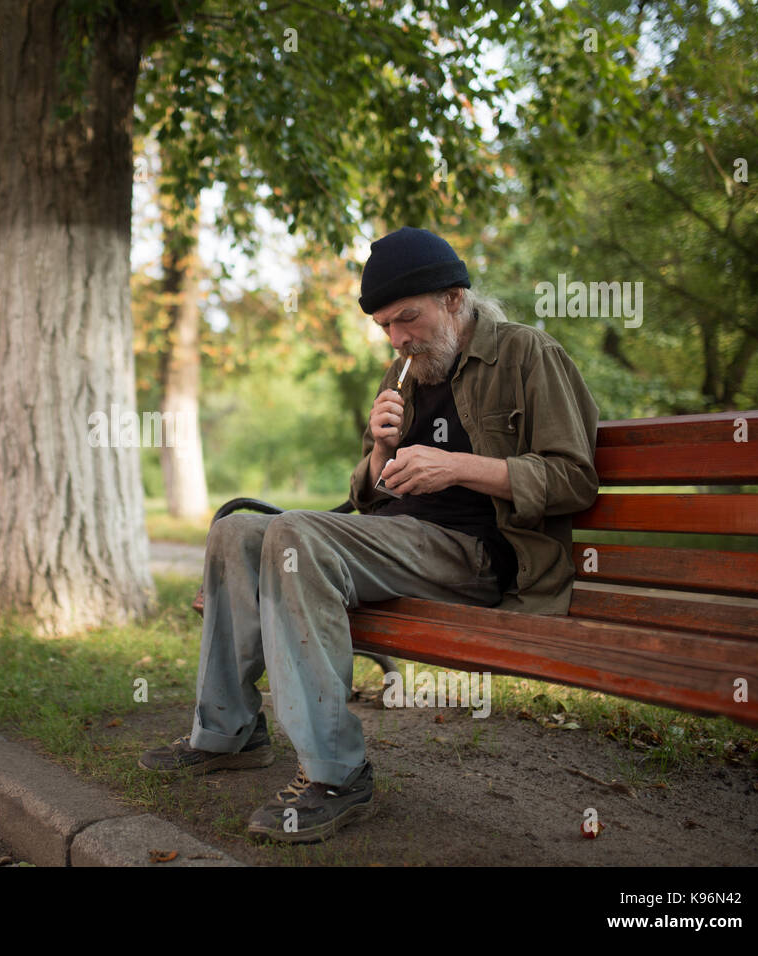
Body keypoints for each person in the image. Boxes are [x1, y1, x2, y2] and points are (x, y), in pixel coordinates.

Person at [139, 226, 600, 844]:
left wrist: (460, 467)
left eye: (407, 318)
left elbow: (574, 478)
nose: (398, 338)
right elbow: (367, 494)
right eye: (385, 326)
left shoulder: (526, 355)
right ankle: (228, 732)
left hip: (480, 555)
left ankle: (337, 773)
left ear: (455, 298)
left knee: (296, 536)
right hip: (397, 543)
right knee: (238, 532)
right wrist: (381, 449)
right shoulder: (403, 374)